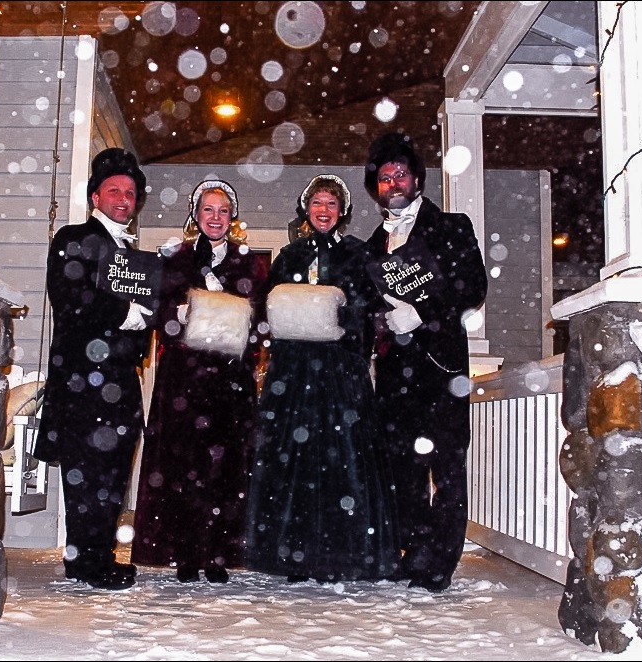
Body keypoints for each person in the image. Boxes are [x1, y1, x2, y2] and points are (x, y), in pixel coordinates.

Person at [245, 174, 401, 584]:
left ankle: (343, 552)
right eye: (317, 203)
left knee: (342, 460)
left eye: (331, 204)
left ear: (342, 211)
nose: (324, 211)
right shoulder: (288, 256)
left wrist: (339, 321)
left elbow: (369, 310)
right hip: (294, 373)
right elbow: (268, 308)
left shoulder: (357, 253)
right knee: (293, 459)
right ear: (306, 209)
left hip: (338, 372)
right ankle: (292, 553)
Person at [362, 132, 488, 592]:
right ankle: (414, 552)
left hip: (441, 369)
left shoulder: (452, 226)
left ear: (416, 179)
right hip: (395, 374)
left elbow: (472, 287)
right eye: (384, 178)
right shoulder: (372, 246)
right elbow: (366, 304)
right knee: (404, 469)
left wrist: (422, 312)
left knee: (447, 467)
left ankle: (440, 562)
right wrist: (381, 320)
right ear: (376, 188)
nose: (392, 183)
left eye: (400, 174)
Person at [131, 180, 269, 584]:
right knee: (184, 465)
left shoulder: (248, 264)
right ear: (196, 214)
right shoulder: (177, 259)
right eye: (208, 209)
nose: (215, 217)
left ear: (232, 217)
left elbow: (260, 322)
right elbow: (159, 314)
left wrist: (240, 323)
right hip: (184, 382)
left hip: (230, 381)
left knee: (225, 466)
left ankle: (219, 554)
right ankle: (184, 552)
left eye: (223, 211)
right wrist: (181, 315)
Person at [32, 147, 155, 590]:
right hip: (84, 380)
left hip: (119, 380)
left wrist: (146, 319)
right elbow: (72, 296)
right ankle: (86, 562)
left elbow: (142, 318)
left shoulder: (131, 254)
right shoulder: (74, 238)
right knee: (87, 474)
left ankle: (100, 555)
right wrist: (126, 313)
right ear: (95, 197)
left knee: (114, 472)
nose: (123, 199)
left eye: (130, 193)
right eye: (114, 191)